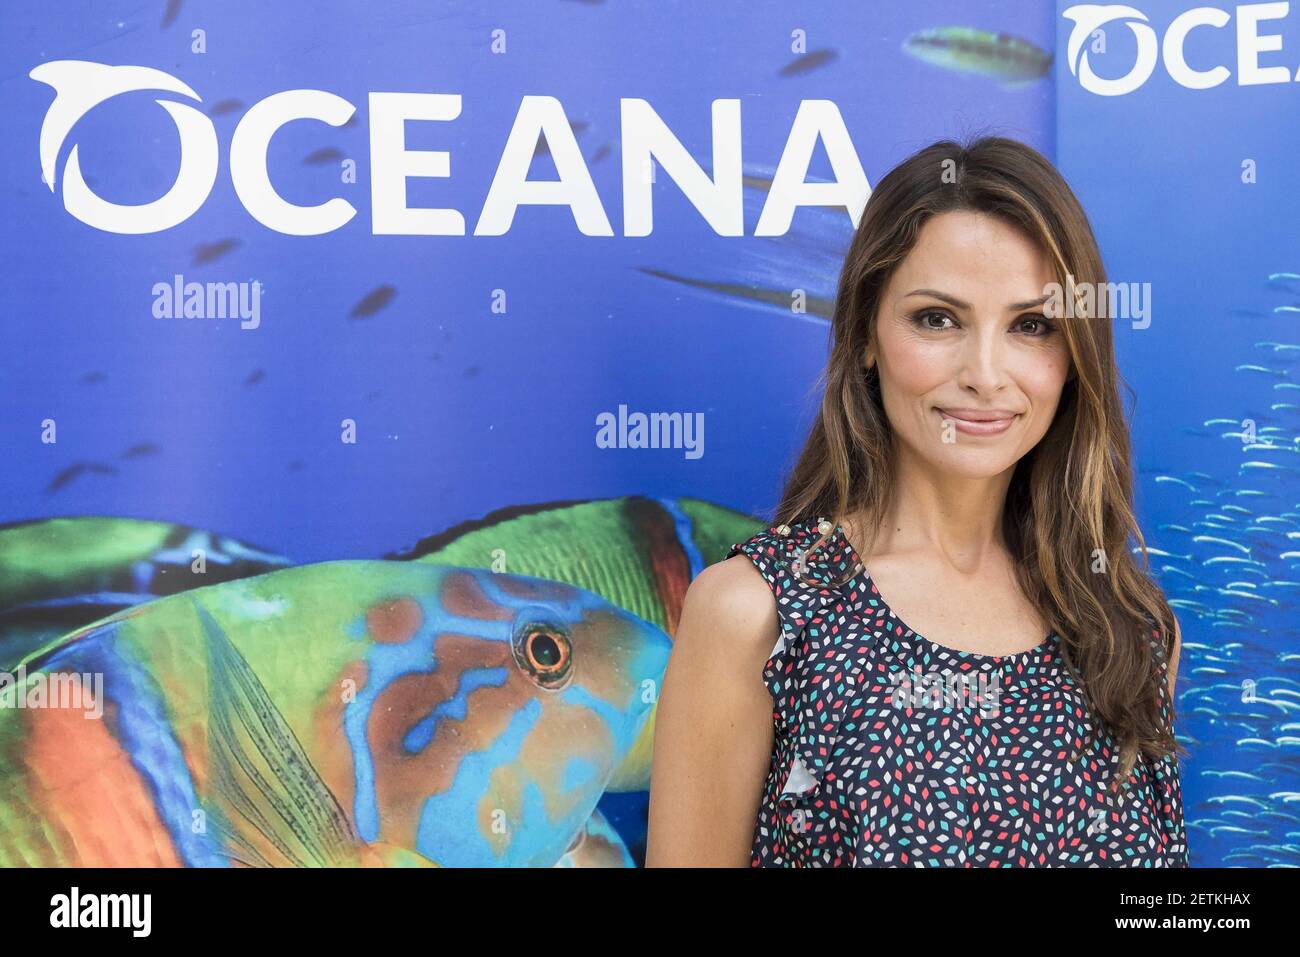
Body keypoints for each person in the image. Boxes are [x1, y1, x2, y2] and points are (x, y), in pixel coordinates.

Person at [645, 135, 1188, 868]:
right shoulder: (760, 613)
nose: (986, 374)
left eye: (1031, 325)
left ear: (1075, 354)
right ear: (867, 335)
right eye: (938, 318)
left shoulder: (1128, 626)